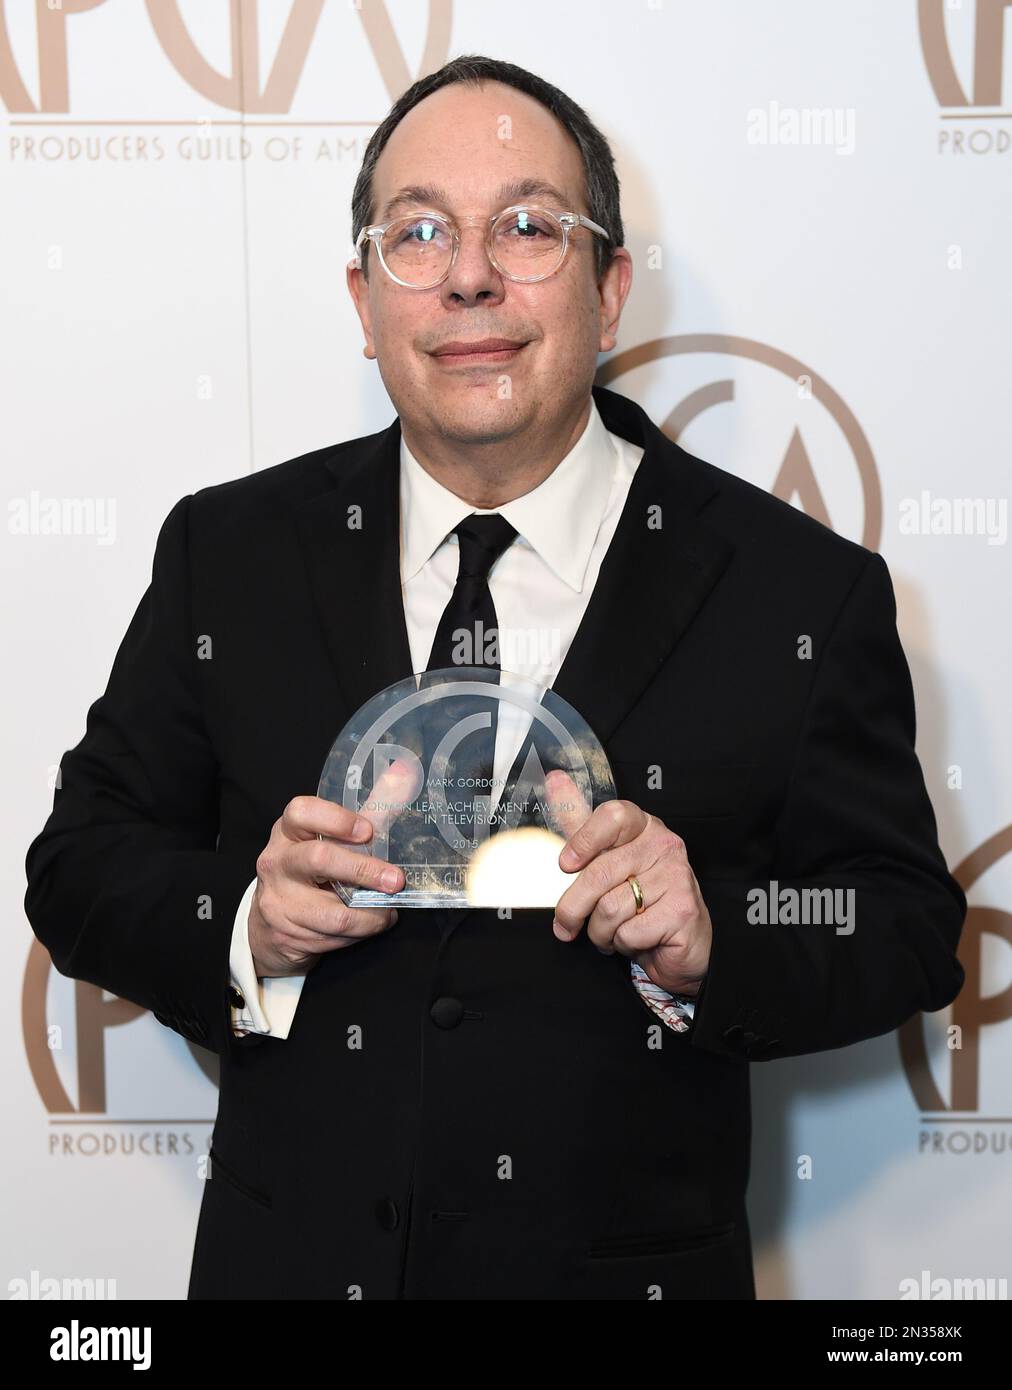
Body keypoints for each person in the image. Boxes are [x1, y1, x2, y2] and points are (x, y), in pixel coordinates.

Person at [24, 54, 965, 1301]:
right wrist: (248, 923)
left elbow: (896, 928)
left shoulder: (797, 589)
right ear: (365, 302)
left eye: (526, 226)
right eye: (417, 234)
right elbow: (79, 865)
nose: (469, 273)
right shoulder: (230, 553)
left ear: (610, 287)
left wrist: (713, 933)